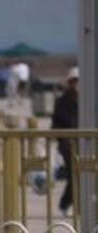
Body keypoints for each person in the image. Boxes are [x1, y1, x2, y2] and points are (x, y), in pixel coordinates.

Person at [52, 67, 80, 216]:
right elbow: (55, 125)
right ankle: (65, 204)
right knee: (74, 176)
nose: (76, 84)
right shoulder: (62, 102)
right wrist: (64, 140)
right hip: (68, 145)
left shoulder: (88, 102)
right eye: (74, 81)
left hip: (85, 143)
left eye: (78, 81)